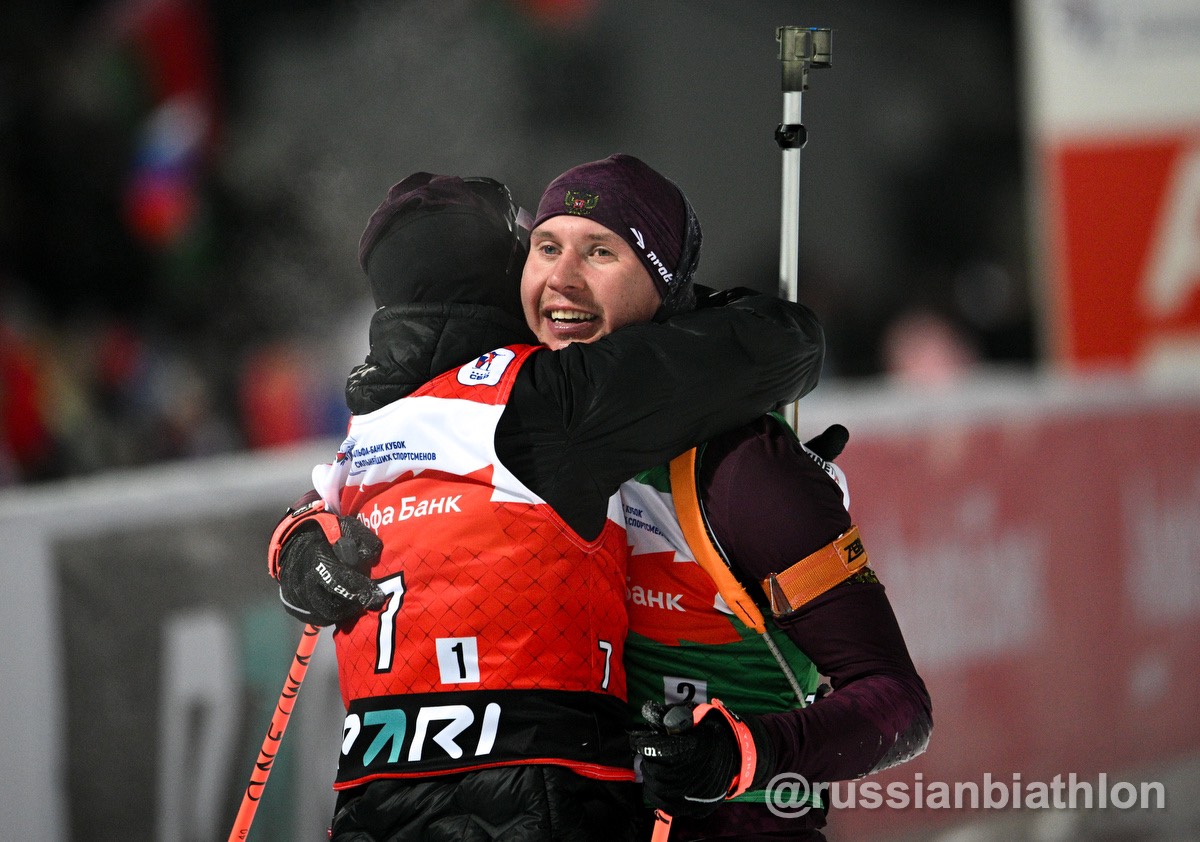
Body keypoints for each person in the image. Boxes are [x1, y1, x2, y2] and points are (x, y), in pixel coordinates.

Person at [268, 159, 825, 841]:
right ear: (501, 275)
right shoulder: (549, 396)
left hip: (373, 800)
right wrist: (675, 307)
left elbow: (310, 527)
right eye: (533, 247)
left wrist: (293, 549)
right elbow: (784, 345)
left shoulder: (374, 424)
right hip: (537, 793)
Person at [525, 159, 933, 841]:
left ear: (661, 286)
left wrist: (740, 753)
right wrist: (303, 539)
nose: (561, 278)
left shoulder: (744, 472)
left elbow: (897, 706)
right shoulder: (499, 422)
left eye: (600, 251)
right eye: (546, 247)